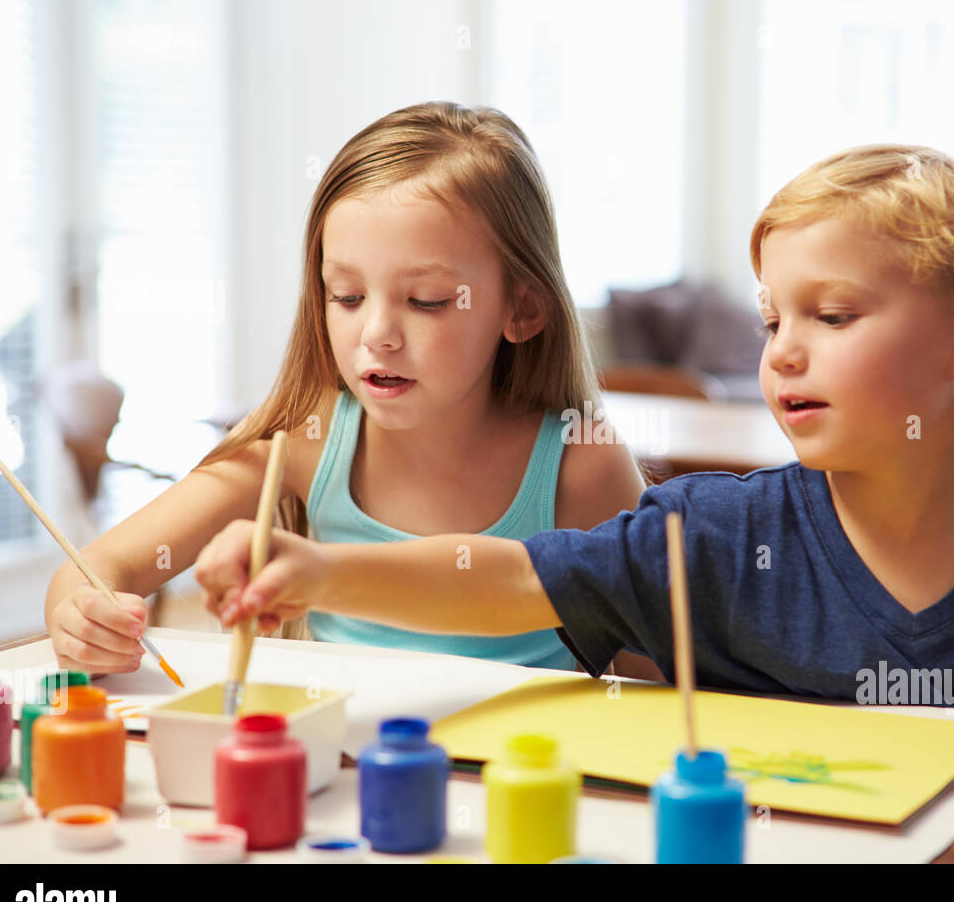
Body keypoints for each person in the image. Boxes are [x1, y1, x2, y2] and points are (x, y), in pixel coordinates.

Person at [194, 144, 954, 771]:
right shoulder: (705, 532)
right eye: (770, 320)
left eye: (831, 315)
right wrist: (323, 570)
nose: (782, 351)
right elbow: (507, 576)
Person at [44, 102, 644, 674]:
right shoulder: (308, 438)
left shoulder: (582, 467)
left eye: (427, 300)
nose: (377, 333)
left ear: (523, 309)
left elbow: (660, 679)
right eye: (347, 296)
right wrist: (83, 614)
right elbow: (97, 567)